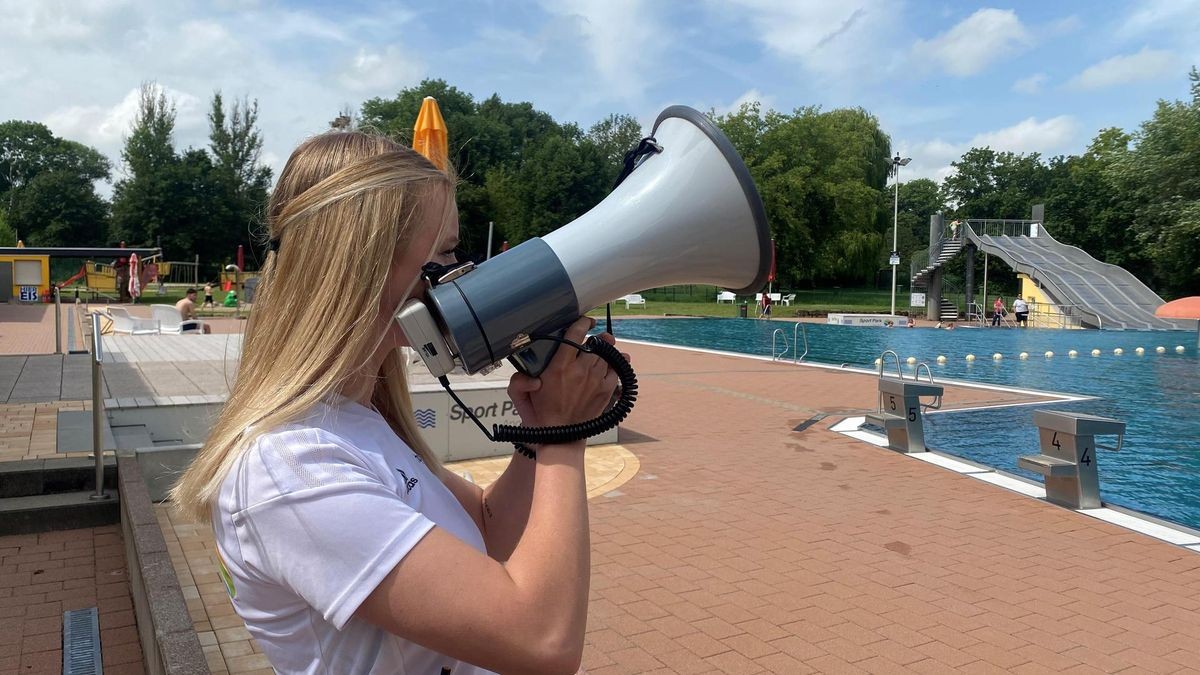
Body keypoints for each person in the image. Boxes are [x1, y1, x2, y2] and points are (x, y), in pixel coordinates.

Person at [170, 132, 620, 674]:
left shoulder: (356, 421)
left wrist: (537, 435)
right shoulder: (291, 470)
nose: (461, 275)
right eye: (446, 253)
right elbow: (543, 642)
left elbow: (484, 526)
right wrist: (565, 436)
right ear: (363, 263)